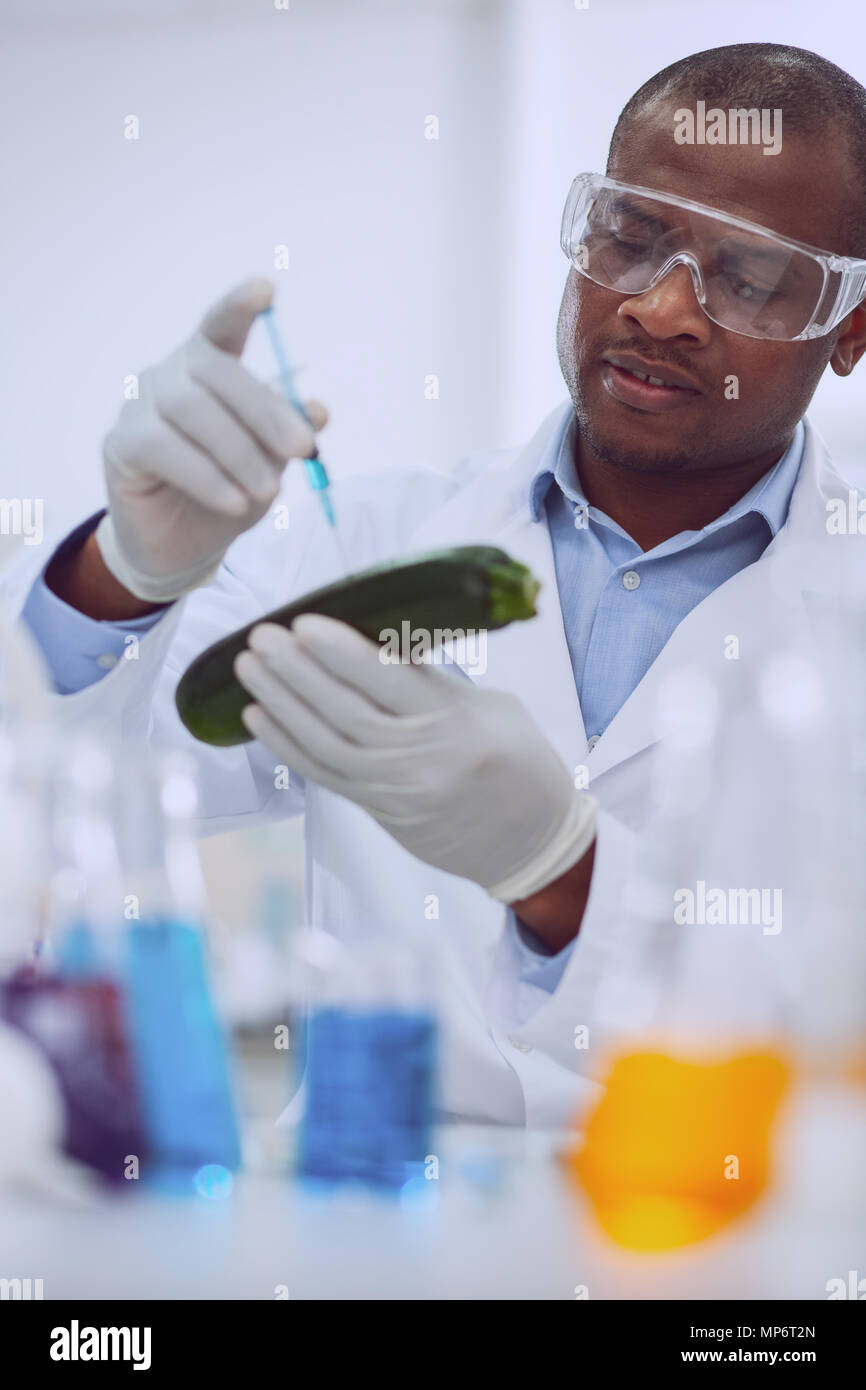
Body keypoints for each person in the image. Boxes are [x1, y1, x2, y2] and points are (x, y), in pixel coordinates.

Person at [6, 42, 866, 1127]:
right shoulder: (366, 542)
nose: (660, 309)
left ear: (847, 330)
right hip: (371, 1242)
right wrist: (123, 574)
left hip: (722, 1253)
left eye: (746, 277)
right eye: (633, 239)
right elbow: (66, 787)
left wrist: (565, 872)